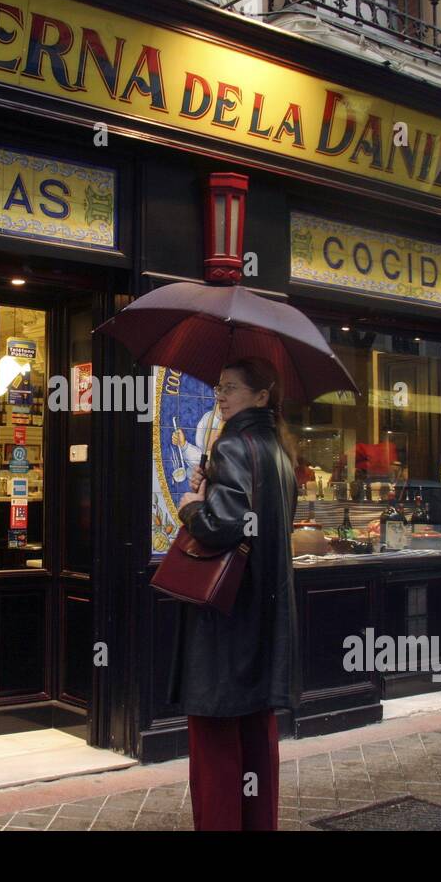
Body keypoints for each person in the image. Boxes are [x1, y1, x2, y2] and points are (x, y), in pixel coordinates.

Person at [170, 355, 301, 831]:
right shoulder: (278, 452)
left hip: (226, 616)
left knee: (215, 742)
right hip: (264, 615)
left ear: (261, 395)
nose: (220, 396)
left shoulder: (232, 447)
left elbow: (223, 525)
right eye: (218, 387)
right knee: (256, 738)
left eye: (230, 388)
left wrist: (190, 506)